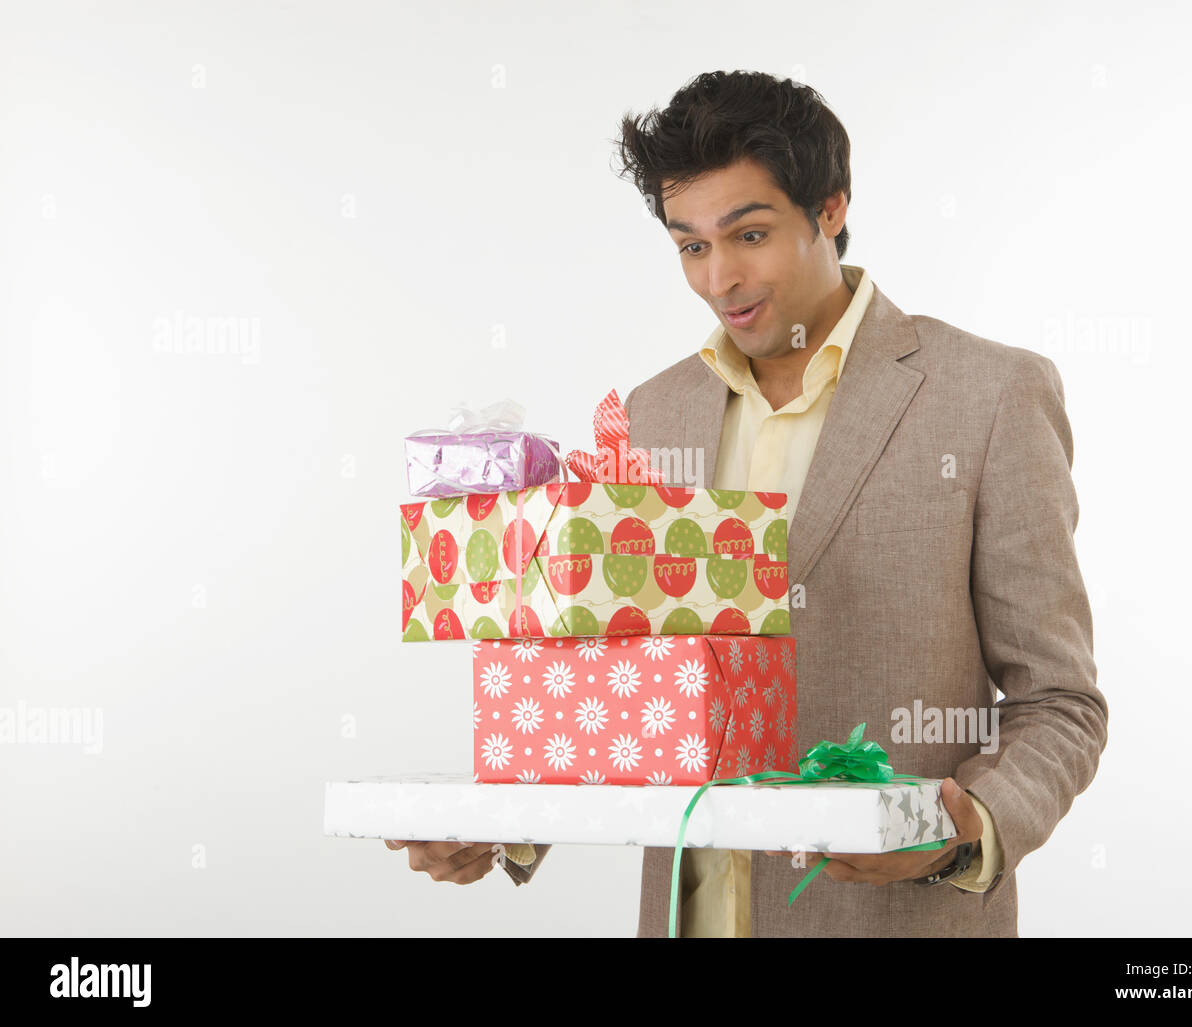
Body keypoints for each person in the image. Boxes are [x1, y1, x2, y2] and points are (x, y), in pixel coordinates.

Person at [387, 69, 1106, 938]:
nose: (720, 278)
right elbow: (625, 694)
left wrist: (963, 831)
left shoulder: (988, 397)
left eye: (750, 234)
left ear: (830, 208)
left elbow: (1060, 700)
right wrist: (506, 832)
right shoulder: (649, 416)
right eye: (691, 247)